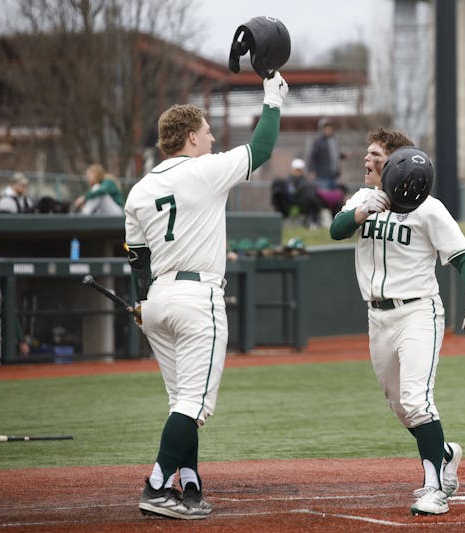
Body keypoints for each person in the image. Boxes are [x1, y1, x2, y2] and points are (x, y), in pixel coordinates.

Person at [123, 71, 288, 519]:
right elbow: (263, 149)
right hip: (198, 298)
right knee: (195, 404)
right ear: (191, 137)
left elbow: (137, 258)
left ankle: (189, 483)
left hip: (157, 299)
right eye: (209, 134)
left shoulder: (139, 190)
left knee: (183, 402)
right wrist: (272, 97)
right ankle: (157, 484)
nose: (213, 141)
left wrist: (140, 302)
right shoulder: (205, 171)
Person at [329, 128, 465, 516]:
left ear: (397, 165)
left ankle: (433, 487)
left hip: (418, 311)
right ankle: (445, 452)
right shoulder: (362, 198)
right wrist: (363, 209)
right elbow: (337, 230)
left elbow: (462, 256)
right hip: (377, 316)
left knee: (416, 400)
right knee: (400, 405)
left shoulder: (429, 209)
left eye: (375, 155)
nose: (367, 161)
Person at [270, 158, 323, 226]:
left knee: (313, 199)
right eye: (296, 169)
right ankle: (278, 221)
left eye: (299, 170)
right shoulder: (287, 181)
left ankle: (312, 222)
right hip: (288, 203)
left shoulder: (305, 182)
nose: (298, 171)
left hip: (301, 204)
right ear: (292, 169)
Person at [308, 117, 344, 191]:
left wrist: (342, 155)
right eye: (326, 128)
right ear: (322, 130)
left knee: (333, 197)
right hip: (322, 175)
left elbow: (335, 155)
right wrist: (311, 170)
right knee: (324, 196)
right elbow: (312, 157)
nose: (328, 130)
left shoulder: (334, 141)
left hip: (334, 174)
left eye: (330, 128)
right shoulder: (318, 142)